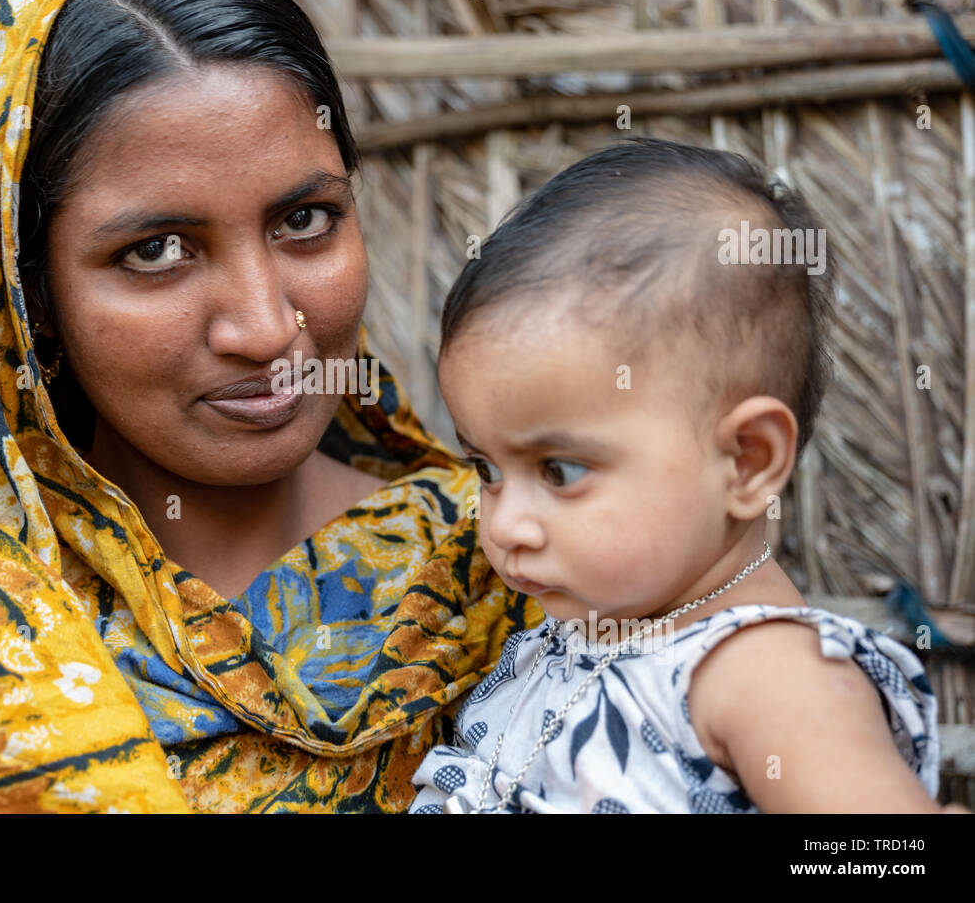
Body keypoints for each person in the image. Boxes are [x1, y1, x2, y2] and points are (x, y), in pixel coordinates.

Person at [0, 0, 542, 814]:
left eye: (306, 219)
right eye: (156, 250)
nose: (265, 326)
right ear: (30, 297)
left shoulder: (529, 575)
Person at [409, 138, 967, 813]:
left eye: (559, 470)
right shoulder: (589, 627)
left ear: (747, 461)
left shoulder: (767, 679)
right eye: (487, 469)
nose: (503, 524)